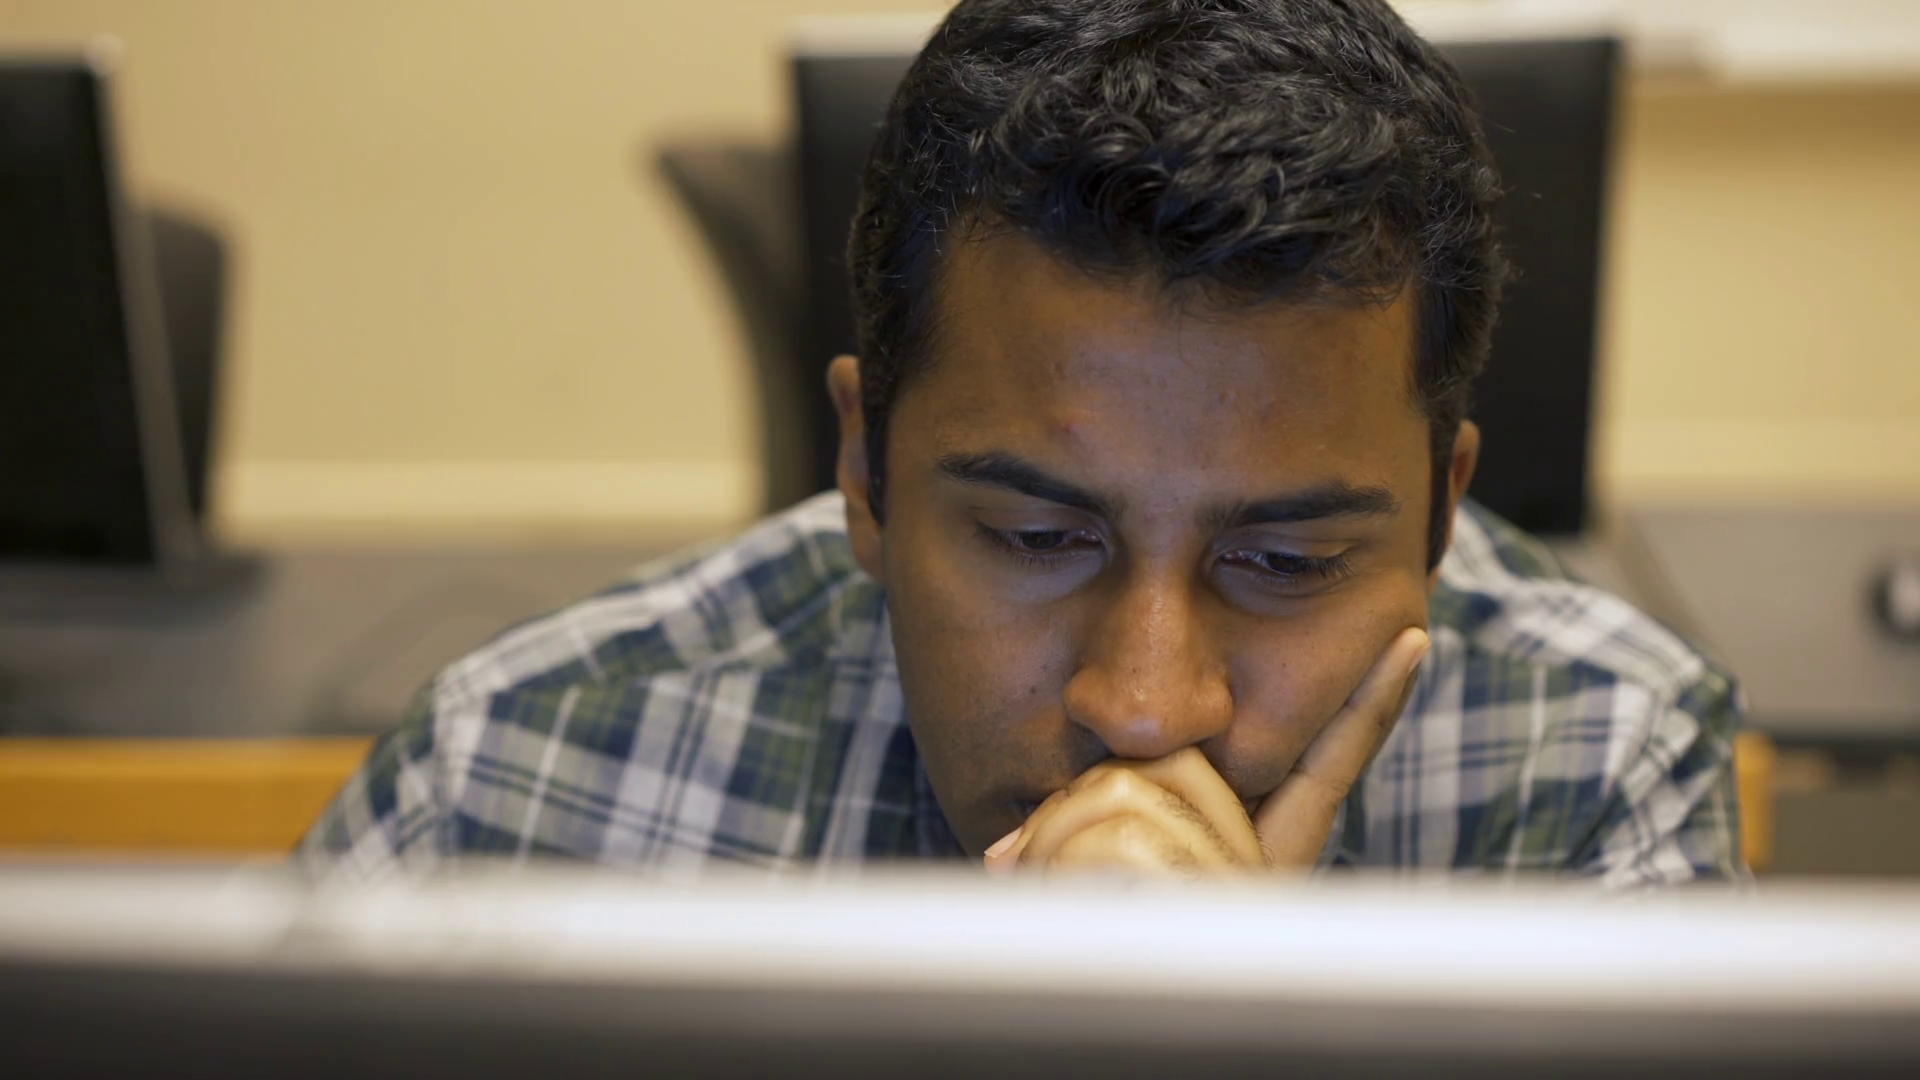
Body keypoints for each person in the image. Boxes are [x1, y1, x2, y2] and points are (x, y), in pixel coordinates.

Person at [301, 0, 1742, 887]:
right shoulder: (514, 780)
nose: (1144, 705)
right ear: (864, 469)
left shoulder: (1590, 768)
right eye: (1039, 540)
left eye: (1287, 559)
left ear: (1442, 518)